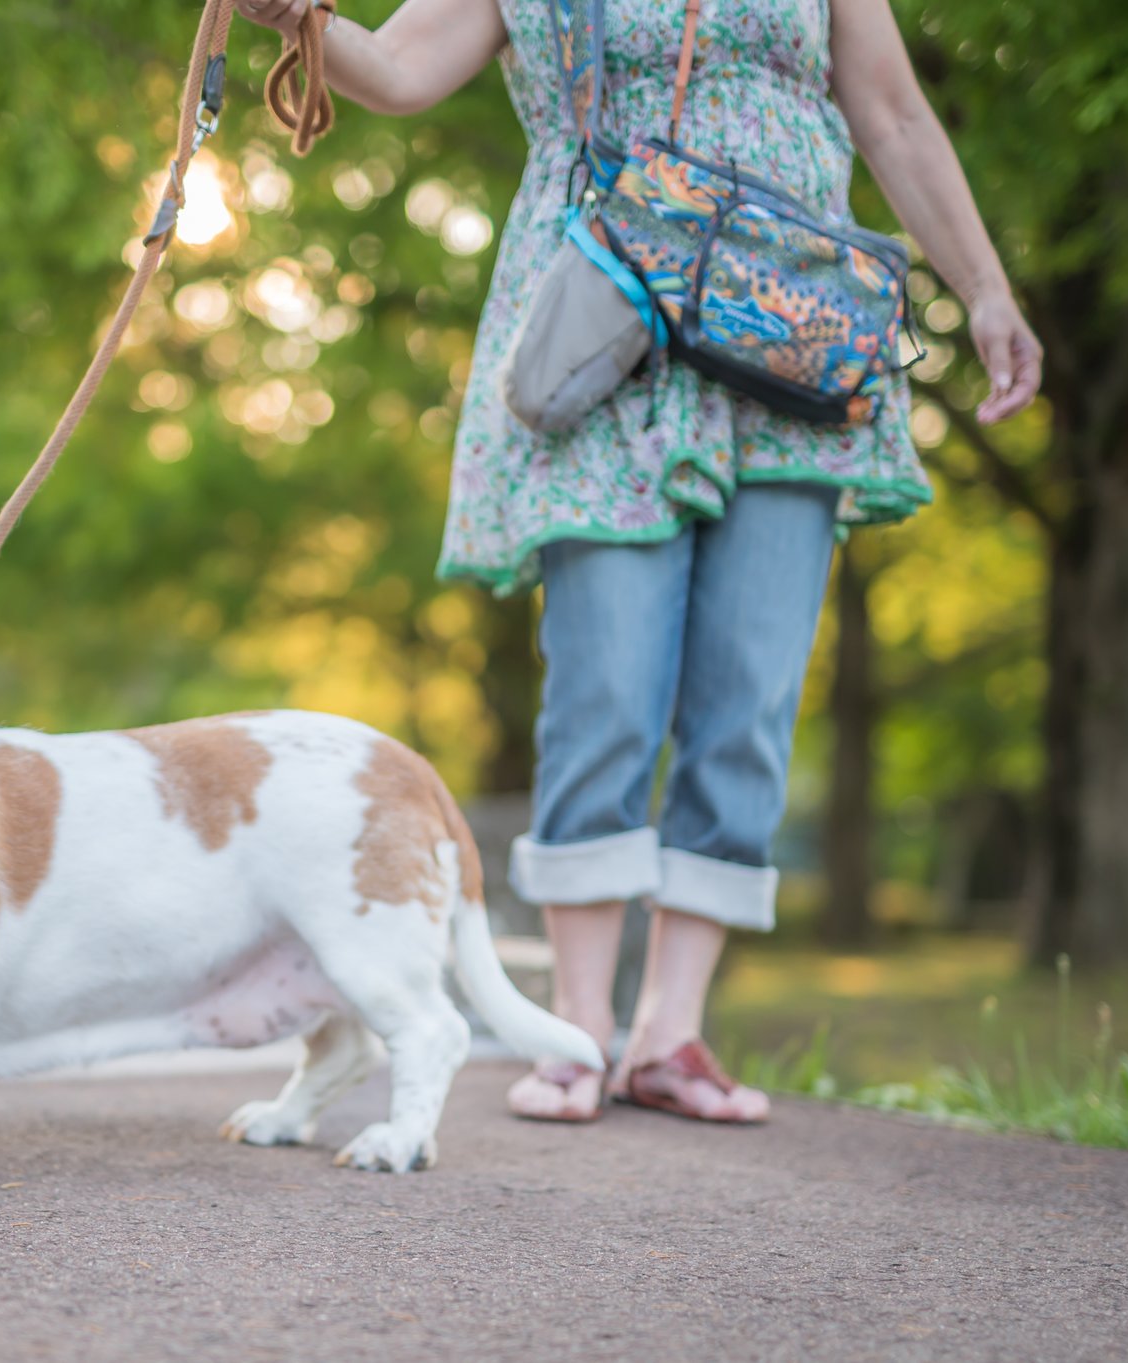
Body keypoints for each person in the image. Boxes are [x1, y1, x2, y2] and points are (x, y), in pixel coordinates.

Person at [232, 0, 1041, 1122]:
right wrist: (301, 18)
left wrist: (986, 288)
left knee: (748, 691)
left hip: (786, 319)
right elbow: (402, 69)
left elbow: (893, 114)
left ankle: (671, 1032)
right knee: (604, 686)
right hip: (608, 329)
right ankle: (577, 1027)